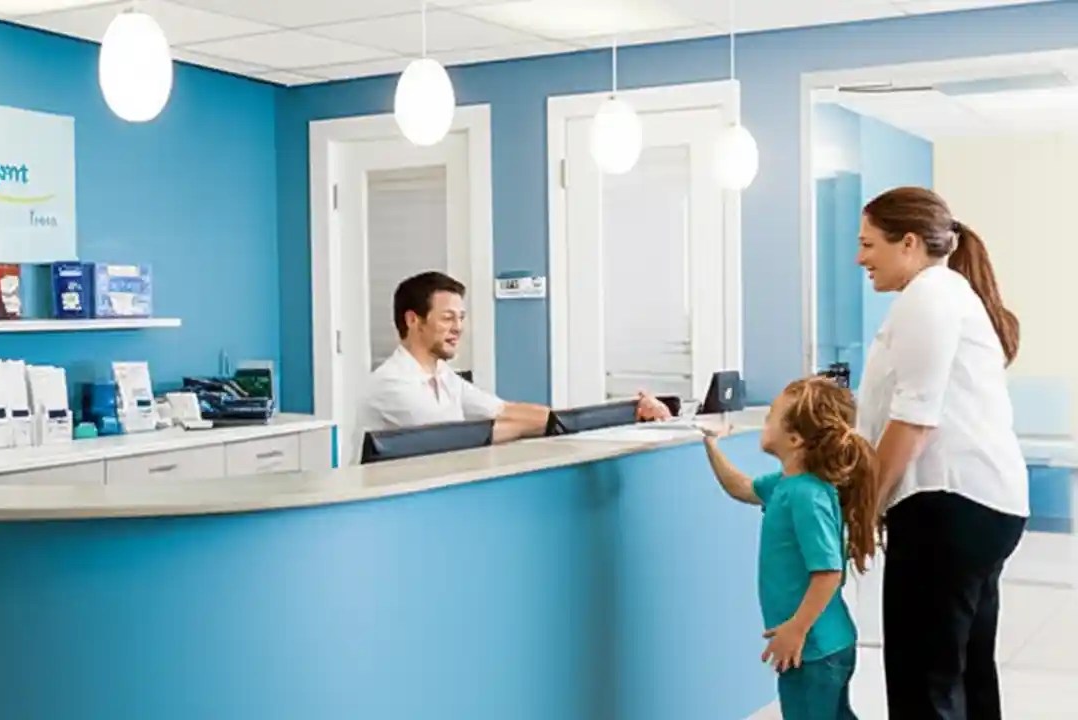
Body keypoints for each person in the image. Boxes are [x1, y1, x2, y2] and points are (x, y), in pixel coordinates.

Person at [855, 187, 1028, 719]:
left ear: (908, 242)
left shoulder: (929, 295)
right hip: (978, 506)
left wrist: (864, 506)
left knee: (923, 681)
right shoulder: (949, 293)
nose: (861, 258)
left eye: (868, 244)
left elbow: (915, 421)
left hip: (946, 507)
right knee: (967, 671)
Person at [701, 377, 880, 720]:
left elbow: (828, 572)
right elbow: (740, 486)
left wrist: (796, 630)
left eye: (771, 416)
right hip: (821, 644)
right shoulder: (787, 484)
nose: (765, 422)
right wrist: (711, 445)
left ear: (795, 439)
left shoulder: (806, 496)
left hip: (812, 648)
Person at [359, 271, 671, 445]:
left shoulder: (442, 376)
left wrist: (617, 414)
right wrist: (566, 426)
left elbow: (503, 409)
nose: (458, 328)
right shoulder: (391, 383)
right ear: (414, 320)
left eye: (461, 318)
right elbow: (460, 437)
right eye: (448, 318)